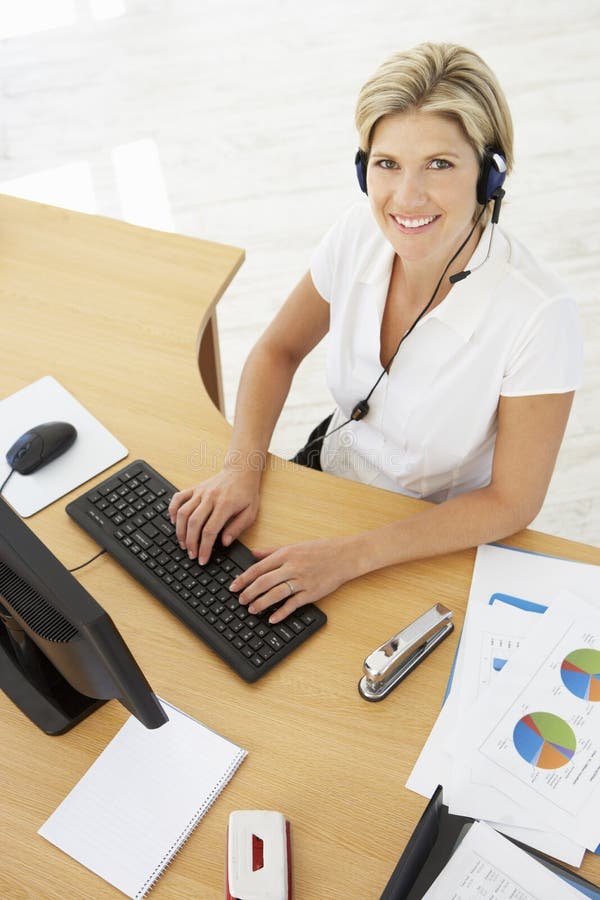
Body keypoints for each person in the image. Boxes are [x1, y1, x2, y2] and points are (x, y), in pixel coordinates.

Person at [168, 42, 582, 625]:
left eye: (440, 164)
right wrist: (242, 467)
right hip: (331, 482)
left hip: (428, 533)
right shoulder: (358, 234)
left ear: (491, 174)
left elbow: (511, 502)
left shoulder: (540, 315)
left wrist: (347, 556)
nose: (406, 198)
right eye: (387, 164)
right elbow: (277, 350)